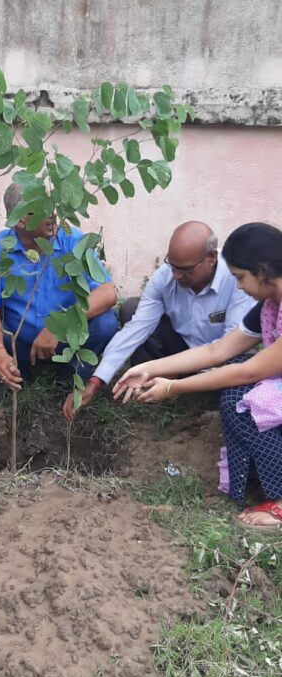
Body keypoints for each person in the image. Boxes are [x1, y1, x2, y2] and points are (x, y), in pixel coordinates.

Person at [113, 222, 282, 533]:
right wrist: (151, 368)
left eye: (240, 278)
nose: (239, 287)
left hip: (273, 386)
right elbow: (217, 351)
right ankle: (253, 485)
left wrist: (174, 387)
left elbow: (252, 369)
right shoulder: (269, 306)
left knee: (252, 398)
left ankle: (280, 502)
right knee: (235, 397)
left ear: (262, 270)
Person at [63, 220, 253, 421]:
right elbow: (136, 329)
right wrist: (95, 381)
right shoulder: (166, 277)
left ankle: (178, 381)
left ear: (211, 258)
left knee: (232, 393)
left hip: (224, 356)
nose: (176, 276)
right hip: (181, 347)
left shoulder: (237, 278)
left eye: (186, 270)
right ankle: (158, 379)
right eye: (172, 266)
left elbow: (228, 347)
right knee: (131, 309)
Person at [0, 183, 118, 389]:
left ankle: (70, 376)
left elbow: (107, 293)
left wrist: (58, 327)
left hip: (65, 343)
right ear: (21, 220)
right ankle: (5, 377)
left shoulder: (72, 240)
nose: (54, 214)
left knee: (106, 323)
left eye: (53, 206)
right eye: (44, 209)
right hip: (16, 342)